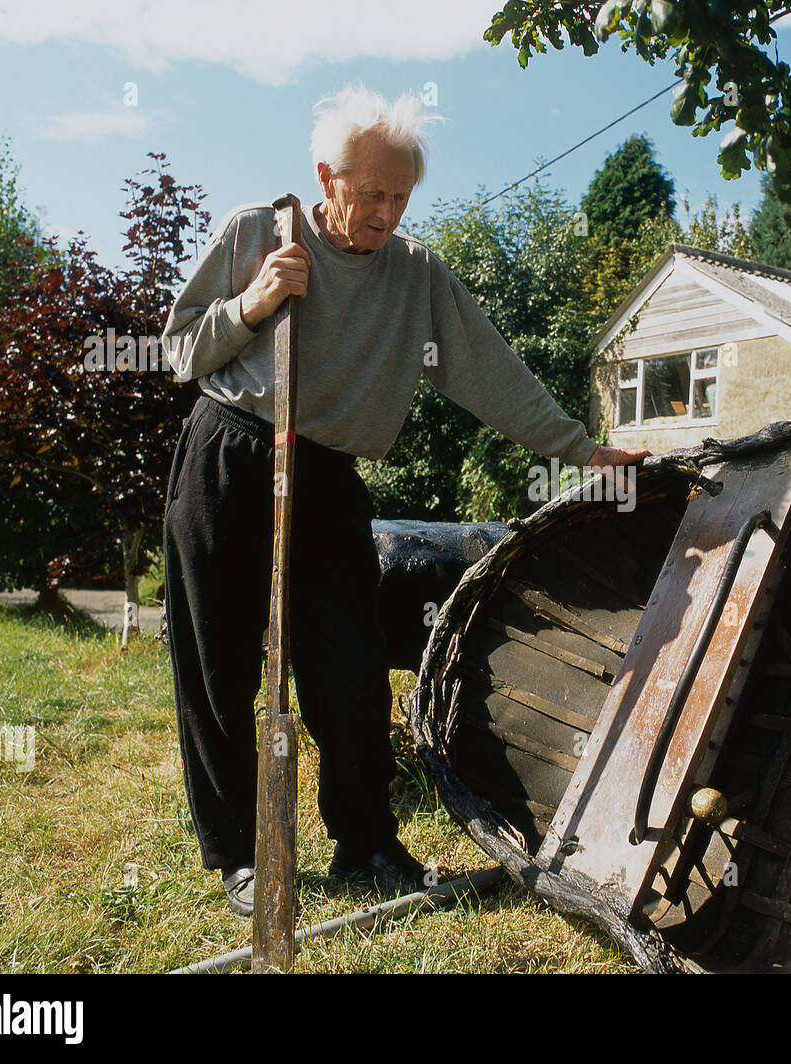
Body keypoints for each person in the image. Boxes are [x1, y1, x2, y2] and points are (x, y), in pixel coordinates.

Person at [161, 84, 648, 917]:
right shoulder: (256, 230)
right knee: (219, 665)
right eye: (371, 193)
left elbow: (490, 374)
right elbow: (177, 348)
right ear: (327, 176)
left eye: (400, 197)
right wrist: (251, 305)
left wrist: (580, 449)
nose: (386, 213)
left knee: (349, 665)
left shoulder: (416, 274)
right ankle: (239, 856)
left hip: (325, 477)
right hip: (232, 452)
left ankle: (368, 844)